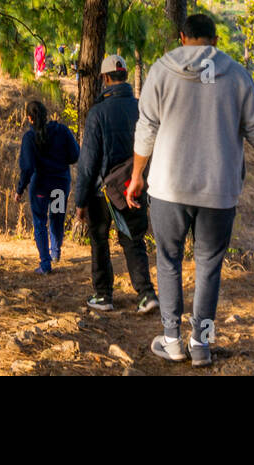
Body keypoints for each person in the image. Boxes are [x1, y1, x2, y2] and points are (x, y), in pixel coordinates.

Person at [128, 13, 254, 368]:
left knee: (168, 261)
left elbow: (146, 128)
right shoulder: (237, 74)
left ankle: (171, 340)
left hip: (168, 186)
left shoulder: (161, 71)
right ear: (215, 39)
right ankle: (201, 345)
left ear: (182, 37)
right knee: (209, 266)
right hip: (218, 189)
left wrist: (136, 176)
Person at [72, 54, 158, 314]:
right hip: (135, 184)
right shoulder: (141, 108)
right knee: (133, 241)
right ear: (125, 76)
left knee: (99, 240)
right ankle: (146, 295)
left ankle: (103, 295)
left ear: (105, 78)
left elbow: (88, 163)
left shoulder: (98, 113)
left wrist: (80, 203)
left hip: (102, 191)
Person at [16, 100, 80, 274]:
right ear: (46, 114)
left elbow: (28, 167)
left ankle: (45, 264)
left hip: (40, 188)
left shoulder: (30, 137)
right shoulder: (62, 131)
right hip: (59, 185)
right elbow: (75, 155)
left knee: (40, 222)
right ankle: (56, 252)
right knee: (57, 217)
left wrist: (20, 189)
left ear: (29, 118)